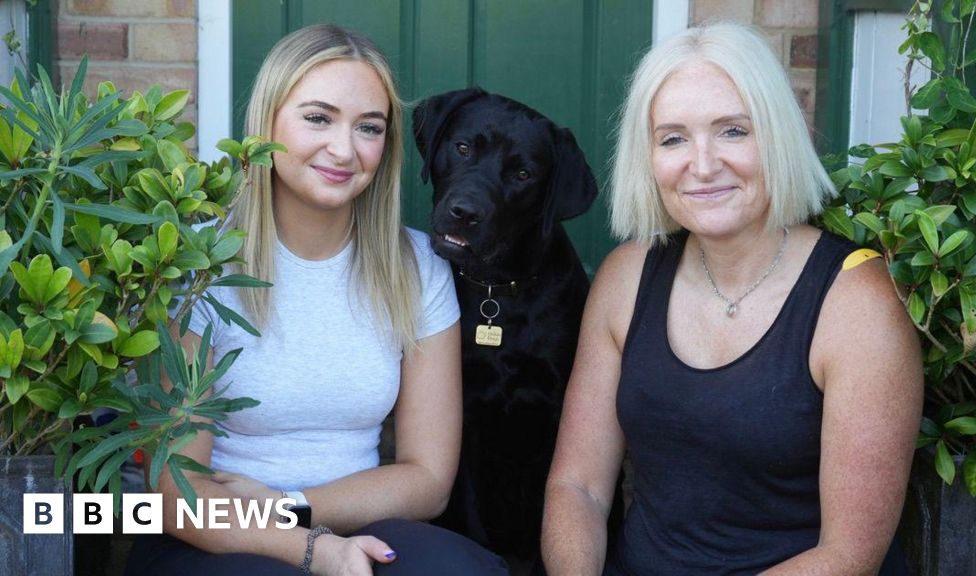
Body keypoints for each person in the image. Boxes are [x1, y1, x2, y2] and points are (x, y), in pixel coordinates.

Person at [541, 21, 922, 576]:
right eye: (673, 138)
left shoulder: (856, 301)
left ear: (777, 135)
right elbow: (578, 487)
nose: (702, 164)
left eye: (732, 131)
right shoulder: (627, 277)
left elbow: (848, 556)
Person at [126, 23, 508, 576]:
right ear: (267, 123)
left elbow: (427, 479)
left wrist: (291, 509)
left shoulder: (417, 265)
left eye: (369, 128)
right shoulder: (199, 262)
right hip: (210, 535)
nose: (344, 149)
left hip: (355, 522)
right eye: (318, 118)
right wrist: (312, 549)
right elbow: (176, 493)